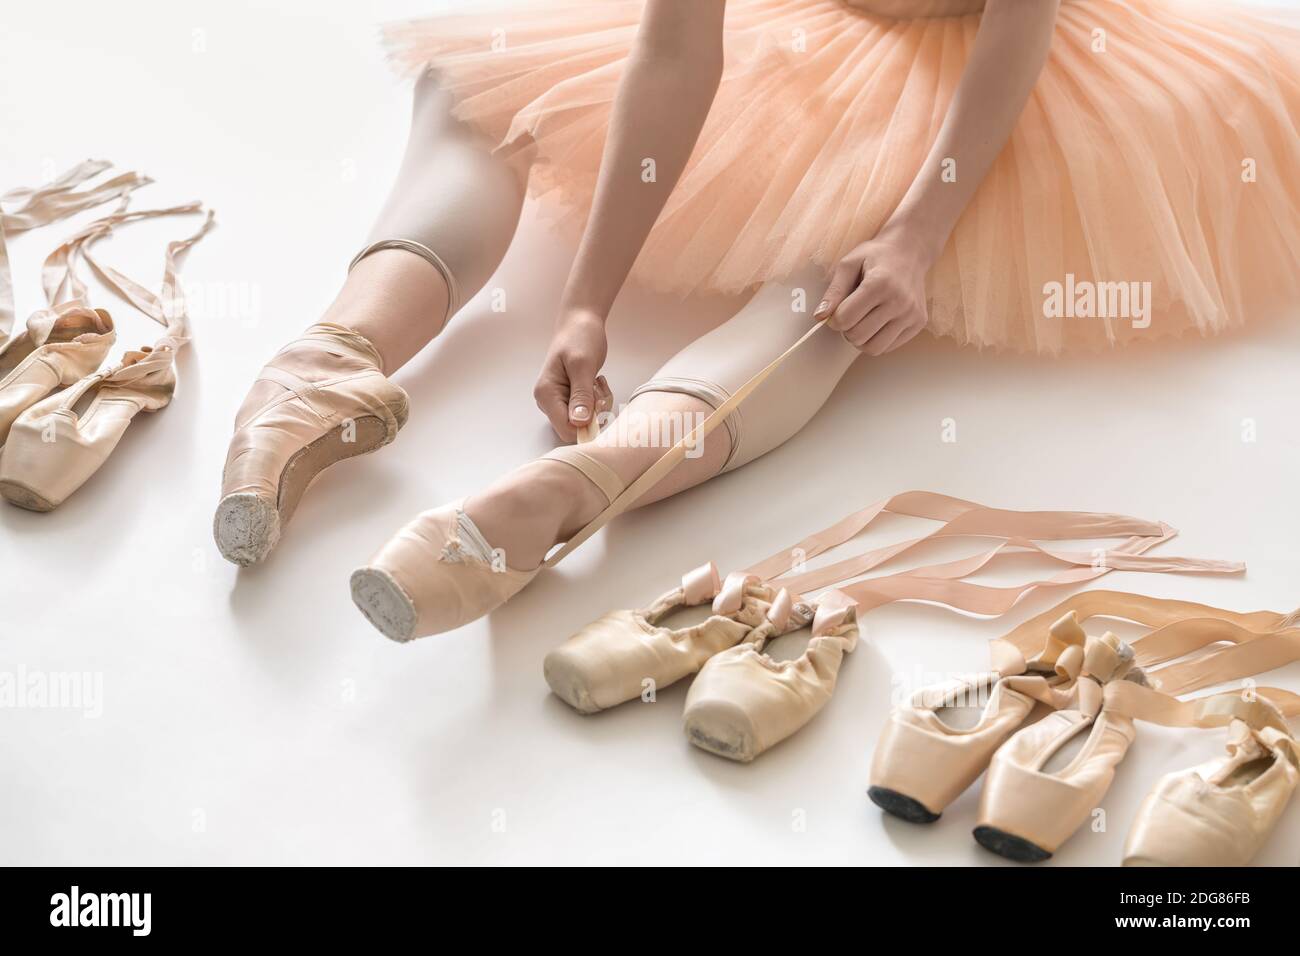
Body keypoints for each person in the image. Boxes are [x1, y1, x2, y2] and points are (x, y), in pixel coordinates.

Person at [213, 0, 1300, 641]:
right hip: (826, 32)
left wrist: (916, 233)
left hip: (1010, 59)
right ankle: (323, 368)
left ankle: (573, 493)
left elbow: (1018, 28)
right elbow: (677, 52)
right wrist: (589, 295)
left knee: (851, 265)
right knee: (476, 83)